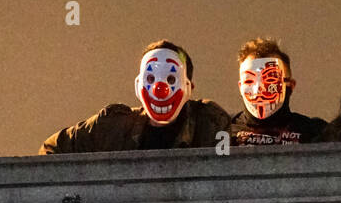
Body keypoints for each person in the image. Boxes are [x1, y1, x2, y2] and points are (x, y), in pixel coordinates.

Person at [39, 40, 230, 154]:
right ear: (138, 86)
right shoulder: (111, 126)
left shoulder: (209, 123)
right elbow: (52, 149)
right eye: (150, 78)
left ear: (190, 88)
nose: (159, 89)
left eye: (171, 79)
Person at [229, 38, 326, 146]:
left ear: (290, 85)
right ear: (240, 87)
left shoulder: (315, 132)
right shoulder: (223, 131)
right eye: (249, 81)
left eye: (270, 80)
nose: (258, 91)